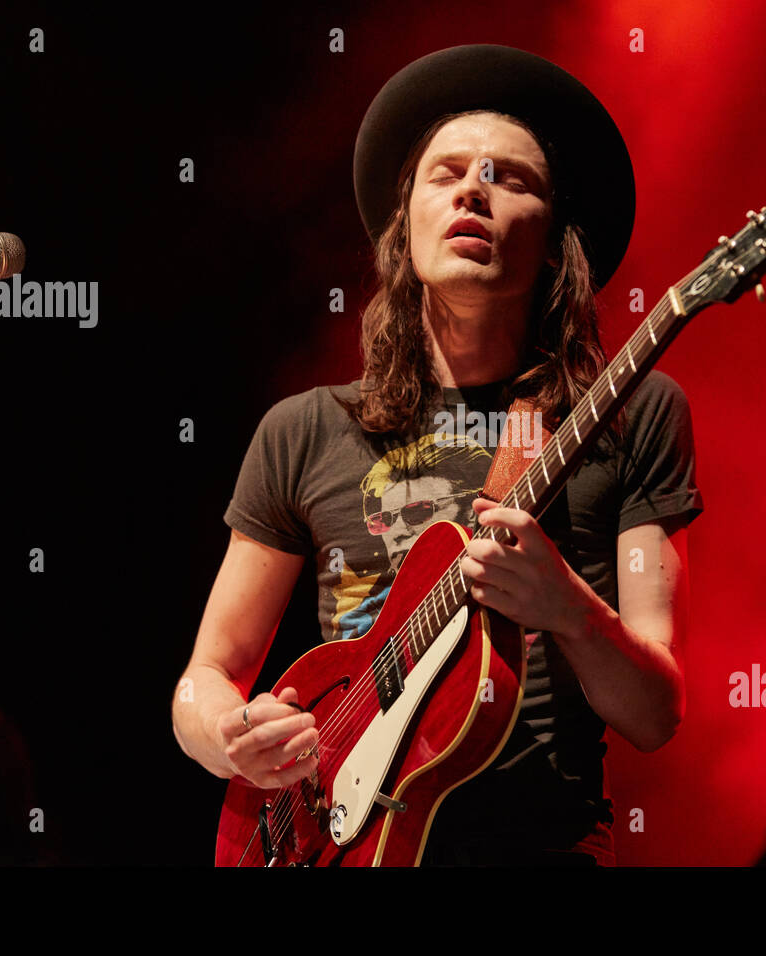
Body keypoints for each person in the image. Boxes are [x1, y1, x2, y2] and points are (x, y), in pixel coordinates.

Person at [172, 44, 703, 866]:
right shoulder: (303, 429)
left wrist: (565, 605)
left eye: (510, 179)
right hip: (331, 842)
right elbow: (208, 674)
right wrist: (228, 735)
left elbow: (655, 714)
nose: (472, 190)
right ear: (403, 223)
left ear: (560, 239)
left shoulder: (632, 417)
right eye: (445, 173)